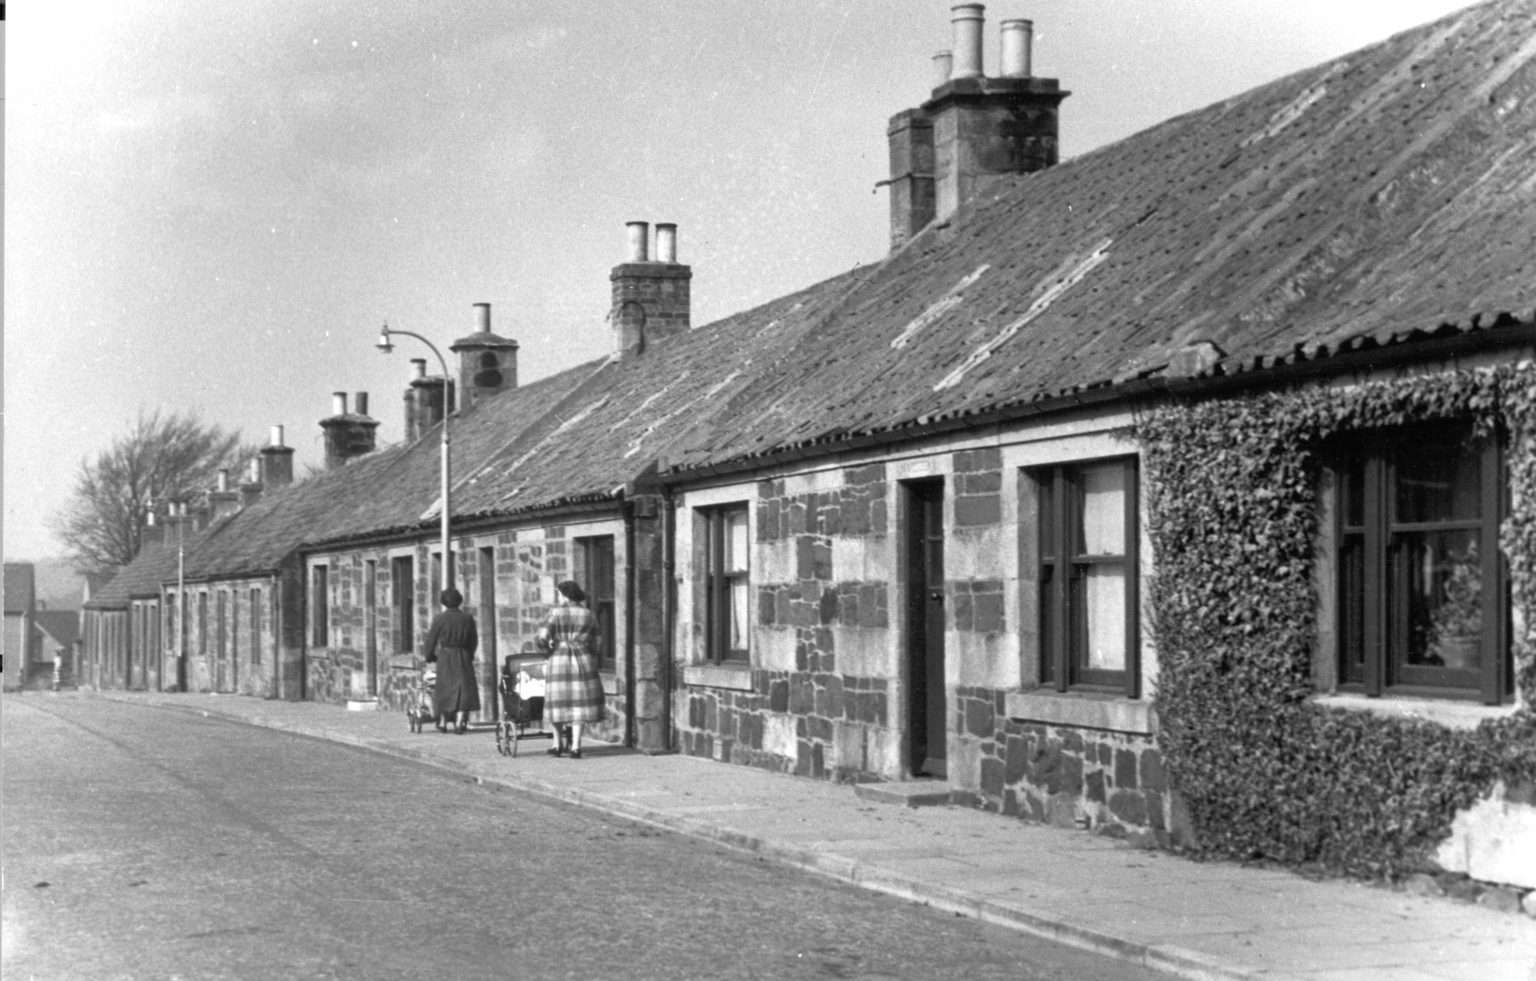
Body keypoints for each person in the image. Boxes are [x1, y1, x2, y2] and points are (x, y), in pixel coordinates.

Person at [538, 580, 603, 759]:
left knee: (557, 702)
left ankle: (557, 744)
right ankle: (575, 746)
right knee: (578, 704)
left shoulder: (555, 613)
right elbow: (597, 642)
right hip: (583, 659)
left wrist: (546, 649)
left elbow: (542, 637)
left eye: (559, 593)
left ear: (565, 595)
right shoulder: (588, 614)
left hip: (559, 659)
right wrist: (590, 654)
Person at [422, 588, 480, 734]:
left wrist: (429, 656)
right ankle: (460, 720)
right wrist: (469, 655)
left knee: (444, 688)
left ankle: (442, 721)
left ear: (444, 602)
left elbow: (431, 640)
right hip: (463, 655)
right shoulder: (467, 618)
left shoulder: (440, 619)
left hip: (446, 656)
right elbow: (473, 640)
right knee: (463, 689)